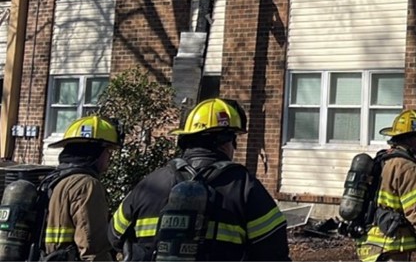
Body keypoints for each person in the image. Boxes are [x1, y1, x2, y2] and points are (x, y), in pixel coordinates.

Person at [108, 98, 290, 261]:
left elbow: (114, 235)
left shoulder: (150, 184)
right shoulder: (245, 188)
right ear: (226, 142)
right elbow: (274, 251)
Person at [355, 109, 416, 262]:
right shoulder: (407, 167)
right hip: (390, 245)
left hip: (369, 243)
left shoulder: (383, 160)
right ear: (411, 139)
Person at [43, 115, 122, 261]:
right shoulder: (86, 185)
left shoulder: (55, 180)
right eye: (108, 151)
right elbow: (92, 246)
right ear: (96, 152)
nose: (109, 158)